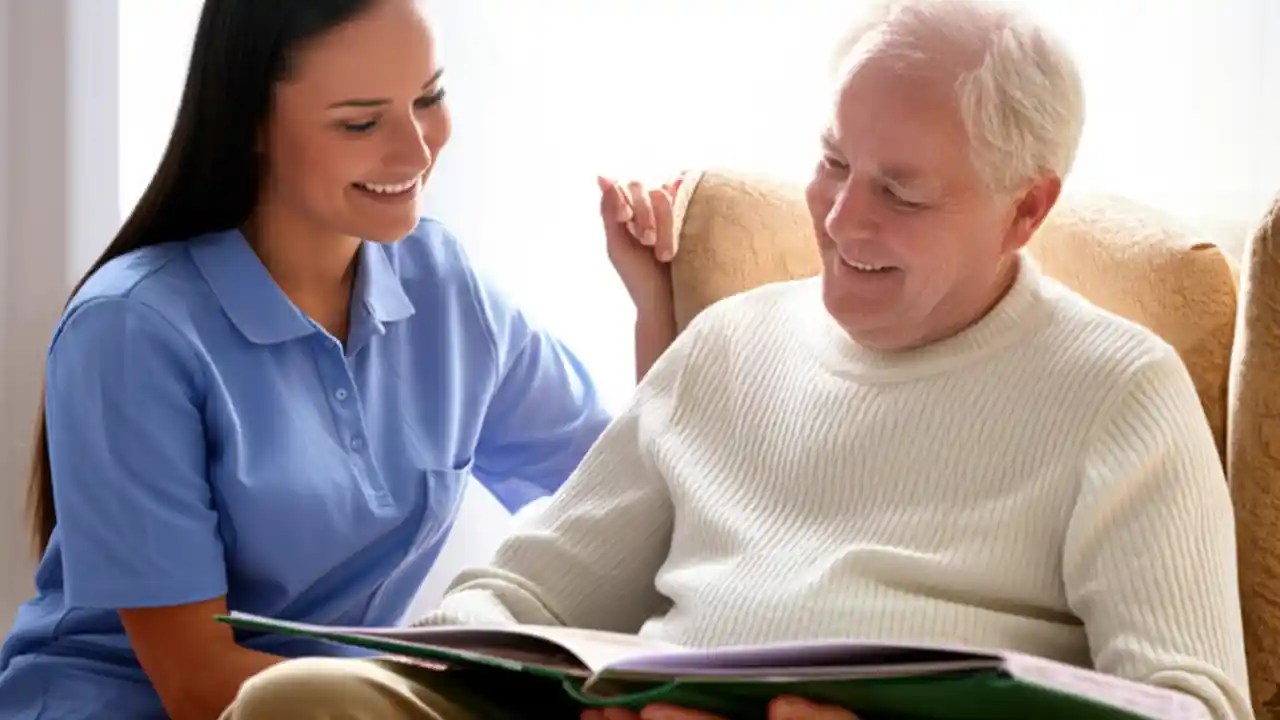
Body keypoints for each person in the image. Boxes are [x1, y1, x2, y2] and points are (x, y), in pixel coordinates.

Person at [223, 0, 1257, 719]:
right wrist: (468, 647)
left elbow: (1193, 705)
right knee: (301, 700)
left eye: (898, 191)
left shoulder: (1117, 392)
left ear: (1024, 207)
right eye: (832, 161)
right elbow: (533, 596)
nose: (840, 217)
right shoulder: (728, 345)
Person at [0, 1, 682, 718]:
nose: (417, 151)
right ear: (250, 126)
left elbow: (630, 498)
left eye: (430, 98)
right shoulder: (130, 330)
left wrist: (656, 308)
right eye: (361, 122)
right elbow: (195, 683)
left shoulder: (440, 283)